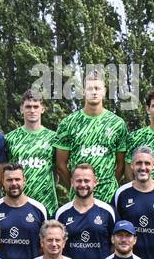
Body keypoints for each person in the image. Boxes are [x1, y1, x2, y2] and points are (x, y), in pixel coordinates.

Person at [53, 72, 130, 204]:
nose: (94, 92)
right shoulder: (68, 123)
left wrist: (109, 184)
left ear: (104, 91)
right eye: (89, 88)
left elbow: (121, 164)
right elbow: (60, 165)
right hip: (79, 198)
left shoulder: (117, 124)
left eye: (97, 88)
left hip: (108, 196)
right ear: (83, 91)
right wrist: (77, 186)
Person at [0, 163, 48, 259]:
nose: (14, 183)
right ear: (3, 181)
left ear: (24, 180)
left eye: (17, 179)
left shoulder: (39, 209)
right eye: (9, 180)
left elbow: (45, 244)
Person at [54, 163, 116, 259]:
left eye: (87, 181)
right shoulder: (61, 213)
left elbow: (115, 243)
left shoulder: (108, 211)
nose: (83, 185)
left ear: (95, 182)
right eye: (79, 181)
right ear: (72, 182)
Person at [5, 90, 59, 209]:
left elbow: (59, 168)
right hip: (17, 203)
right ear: (21, 109)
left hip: (47, 204)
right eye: (28, 107)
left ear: (43, 109)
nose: (32, 110)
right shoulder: (10, 138)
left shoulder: (54, 138)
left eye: (36, 106)